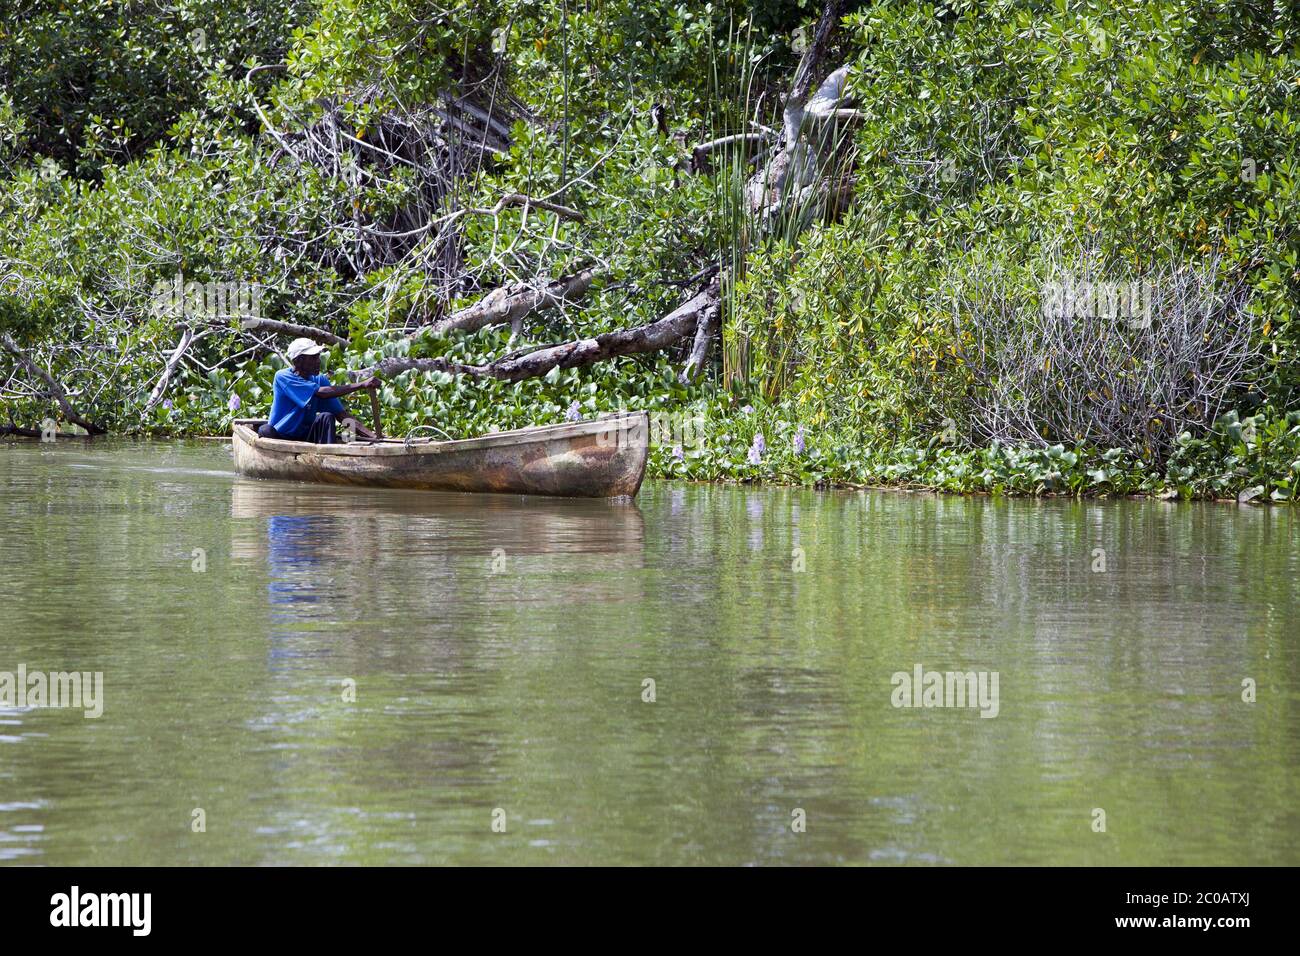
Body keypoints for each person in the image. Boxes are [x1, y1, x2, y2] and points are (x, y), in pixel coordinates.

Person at [257, 338, 379, 444]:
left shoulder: (320, 380)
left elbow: (342, 415)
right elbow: (322, 393)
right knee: (265, 430)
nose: (318, 361)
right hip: (281, 436)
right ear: (298, 361)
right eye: (313, 358)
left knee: (327, 417)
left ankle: (328, 456)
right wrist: (361, 384)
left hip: (305, 435)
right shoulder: (283, 376)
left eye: (318, 357)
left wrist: (373, 436)